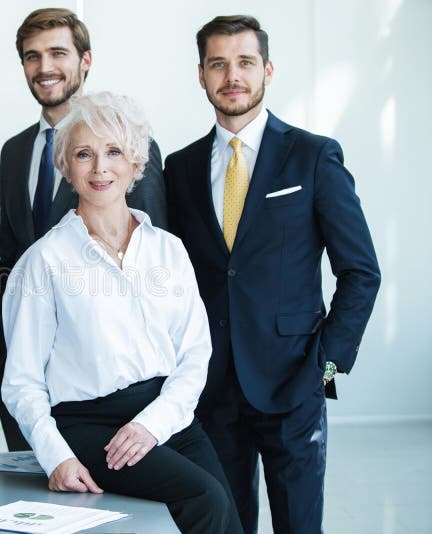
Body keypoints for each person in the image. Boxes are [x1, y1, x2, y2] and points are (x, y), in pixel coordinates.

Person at [164, 15, 381, 533]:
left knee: (300, 525)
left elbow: (360, 271)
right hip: (210, 386)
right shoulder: (180, 167)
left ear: (268, 69)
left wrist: (326, 367)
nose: (232, 75)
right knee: (225, 524)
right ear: (201, 75)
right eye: (218, 64)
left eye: (244, 62)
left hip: (294, 380)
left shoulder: (312, 156)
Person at [2, 92, 242, 534]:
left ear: (135, 162)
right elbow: (21, 381)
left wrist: (154, 423)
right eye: (84, 154)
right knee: (203, 500)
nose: (99, 168)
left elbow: (194, 353)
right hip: (89, 425)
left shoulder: (168, 250)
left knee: (230, 515)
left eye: (113, 152)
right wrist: (57, 458)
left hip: (163, 413)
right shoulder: (43, 261)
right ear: (66, 169)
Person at [0, 7, 168, 450]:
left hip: (101, 378)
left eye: (58, 53)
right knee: (34, 493)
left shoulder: (126, 148)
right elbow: (11, 254)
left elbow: (149, 260)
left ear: (85, 60)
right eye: (32, 57)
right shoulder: (14, 152)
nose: (45, 67)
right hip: (25, 366)